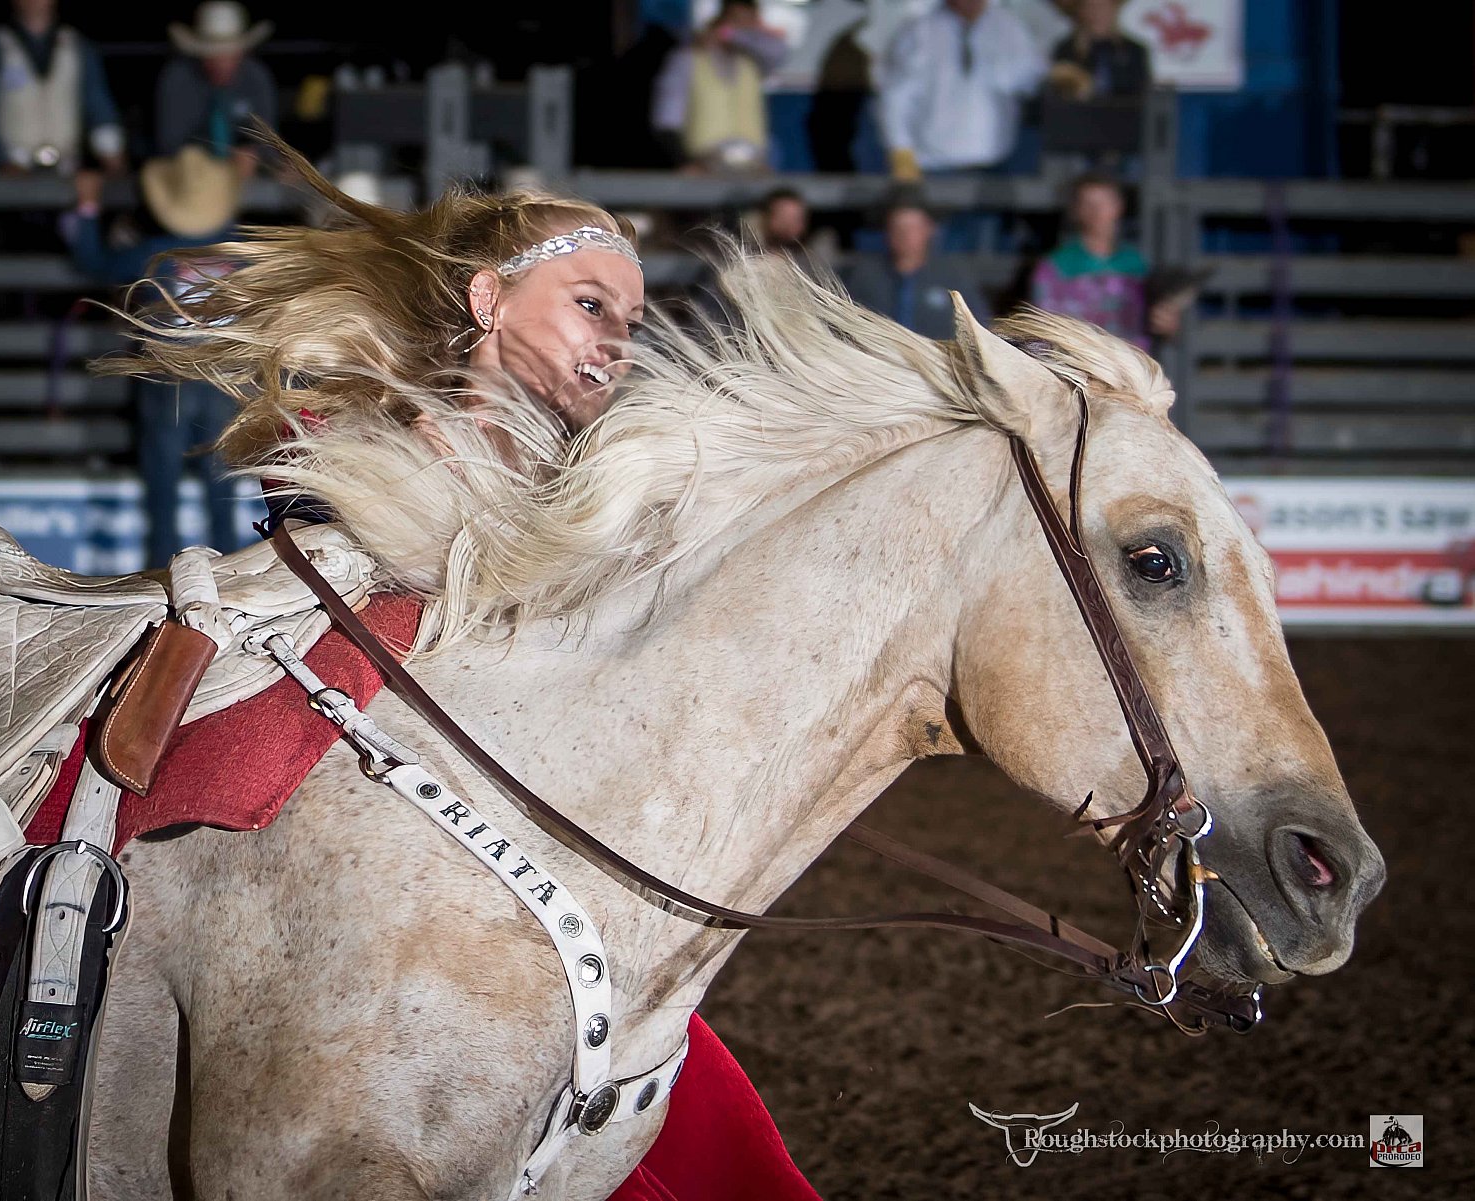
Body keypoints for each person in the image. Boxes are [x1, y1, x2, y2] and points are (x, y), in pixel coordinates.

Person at [98, 132, 820, 1199]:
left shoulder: (612, 481)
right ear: (488, 299)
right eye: (590, 305)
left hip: (536, 857)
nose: (616, 341)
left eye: (629, 322)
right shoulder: (354, 433)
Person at [65, 145, 246, 567]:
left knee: (162, 491)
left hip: (169, 377)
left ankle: (161, 578)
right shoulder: (239, 252)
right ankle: (233, 579)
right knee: (222, 494)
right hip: (224, 378)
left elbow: (95, 264)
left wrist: (87, 208)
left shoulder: (155, 253)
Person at [879, 0, 1046, 183]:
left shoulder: (1009, 27)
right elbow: (896, 99)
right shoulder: (919, 31)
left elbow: (1030, 81)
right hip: (934, 163)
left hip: (998, 161)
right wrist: (900, 149)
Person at [1029, 171, 1179, 348]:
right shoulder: (1055, 266)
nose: (1096, 212)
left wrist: (1168, 325)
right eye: (1088, 204)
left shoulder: (1138, 265)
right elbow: (1044, 330)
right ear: (1075, 210)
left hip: (1130, 360)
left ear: (1119, 206)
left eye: (1104, 203)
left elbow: (1158, 326)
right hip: (1079, 359)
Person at [0, 0, 125, 174]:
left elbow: (97, 104)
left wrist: (111, 152)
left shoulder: (77, 45)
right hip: (11, 166)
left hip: (67, 166)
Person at [651, 0, 788, 172]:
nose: (744, 28)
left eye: (750, 22)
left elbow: (779, 52)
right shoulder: (686, 59)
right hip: (705, 161)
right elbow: (666, 119)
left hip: (753, 161)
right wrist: (683, 161)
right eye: (737, 20)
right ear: (723, 18)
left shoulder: (753, 60)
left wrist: (731, 34)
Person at [843, 193, 991, 339]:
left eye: (913, 228)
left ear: (928, 229)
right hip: (879, 352)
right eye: (897, 228)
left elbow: (978, 329)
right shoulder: (865, 276)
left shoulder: (954, 277)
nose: (905, 235)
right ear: (887, 232)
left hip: (938, 353)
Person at [155, 2, 277, 178]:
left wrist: (253, 155)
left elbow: (270, 141)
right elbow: (168, 146)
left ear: (242, 52)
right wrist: (216, 161)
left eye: (229, 54)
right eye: (212, 53)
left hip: (249, 177)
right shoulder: (177, 78)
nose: (221, 63)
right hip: (190, 177)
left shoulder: (256, 77)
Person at [1047, 0, 1151, 101]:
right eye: (1090, 7)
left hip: (1125, 111)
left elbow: (1141, 95)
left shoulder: (1134, 51)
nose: (1096, 13)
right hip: (1078, 111)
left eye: (1103, 7)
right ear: (1081, 11)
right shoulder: (1066, 49)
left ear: (1114, 9)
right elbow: (1061, 93)